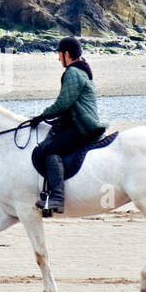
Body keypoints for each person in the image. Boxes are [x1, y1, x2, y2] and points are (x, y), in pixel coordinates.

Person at [28, 37, 107, 215]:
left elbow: (63, 103)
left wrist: (42, 115)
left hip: (83, 126)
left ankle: (57, 197)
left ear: (66, 54)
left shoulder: (73, 72)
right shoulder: (82, 71)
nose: (58, 59)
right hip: (78, 122)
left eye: (59, 54)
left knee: (50, 150)